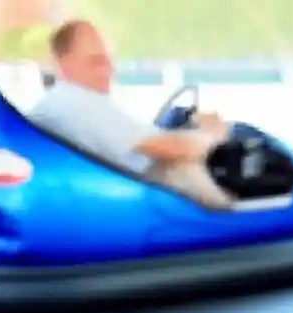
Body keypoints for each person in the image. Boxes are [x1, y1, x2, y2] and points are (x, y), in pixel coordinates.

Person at [28, 19, 234, 209]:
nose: (108, 70)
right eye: (96, 61)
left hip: (103, 194)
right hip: (119, 202)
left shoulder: (61, 103)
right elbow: (168, 148)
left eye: (109, 60)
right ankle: (235, 229)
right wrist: (213, 135)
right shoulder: (73, 101)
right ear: (64, 65)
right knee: (182, 167)